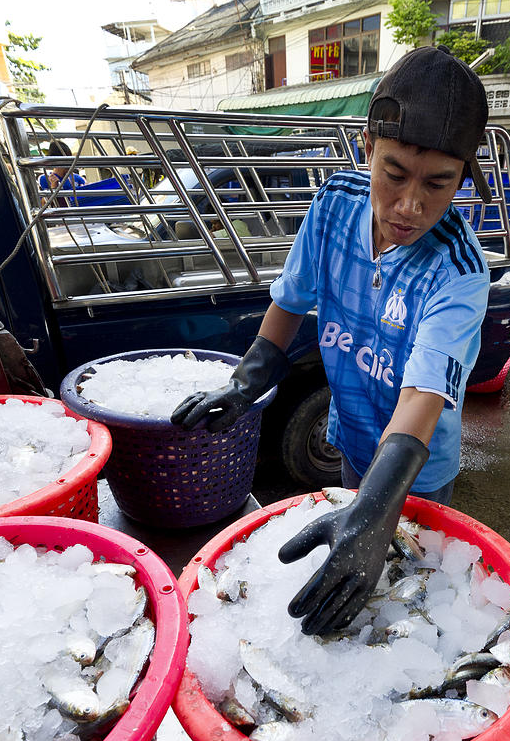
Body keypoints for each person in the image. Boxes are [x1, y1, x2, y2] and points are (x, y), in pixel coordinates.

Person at [171, 45, 491, 636]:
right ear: (367, 146)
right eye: (393, 173)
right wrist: (246, 384)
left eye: (439, 184)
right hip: (352, 438)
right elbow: (289, 304)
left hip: (416, 469)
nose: (410, 205)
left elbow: (423, 397)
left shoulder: (459, 271)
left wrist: (375, 510)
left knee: (411, 592)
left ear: (462, 178)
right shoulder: (333, 208)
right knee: (348, 571)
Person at [39, 140, 85, 206]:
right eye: (64, 161)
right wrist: (53, 188)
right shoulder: (45, 179)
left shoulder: (77, 178)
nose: (69, 164)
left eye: (69, 160)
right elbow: (43, 204)